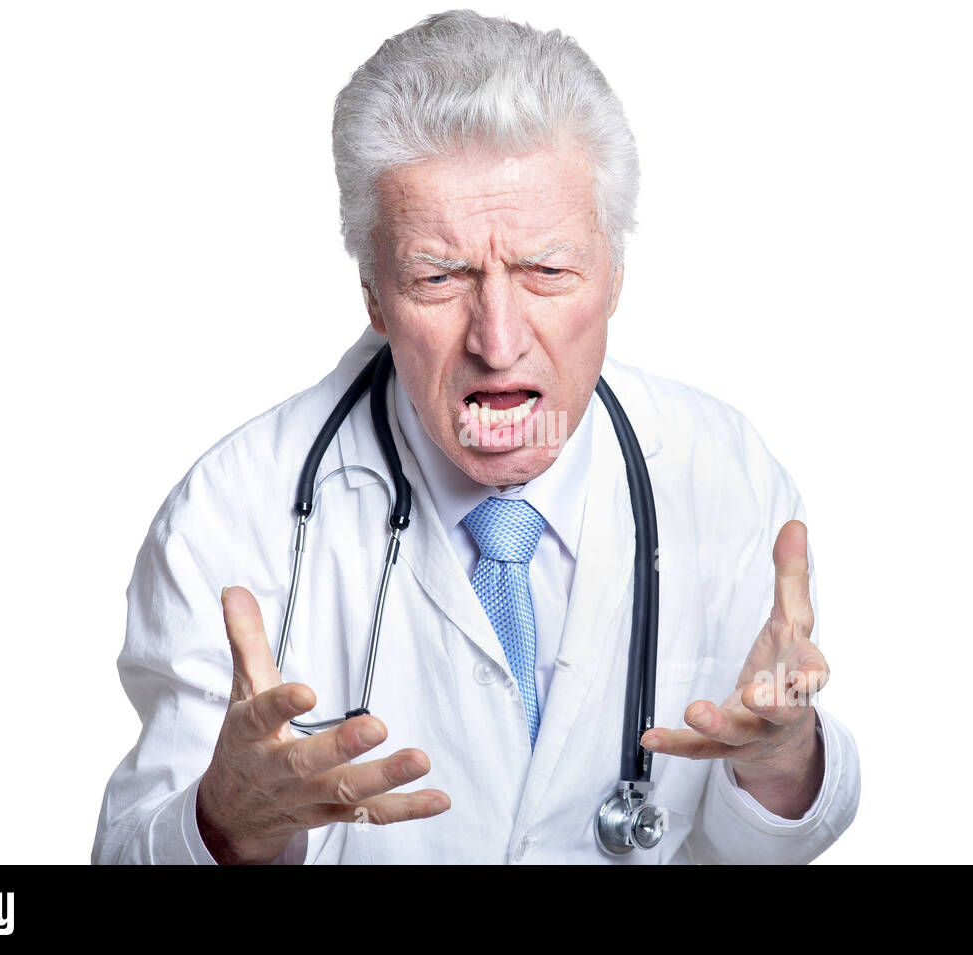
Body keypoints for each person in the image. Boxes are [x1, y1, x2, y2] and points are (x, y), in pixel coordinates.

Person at [93, 9, 860, 865]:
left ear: (614, 276)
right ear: (374, 294)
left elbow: (753, 850)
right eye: (438, 276)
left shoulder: (723, 472)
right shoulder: (231, 515)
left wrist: (784, 760)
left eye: (548, 271)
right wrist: (226, 823)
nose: (497, 341)